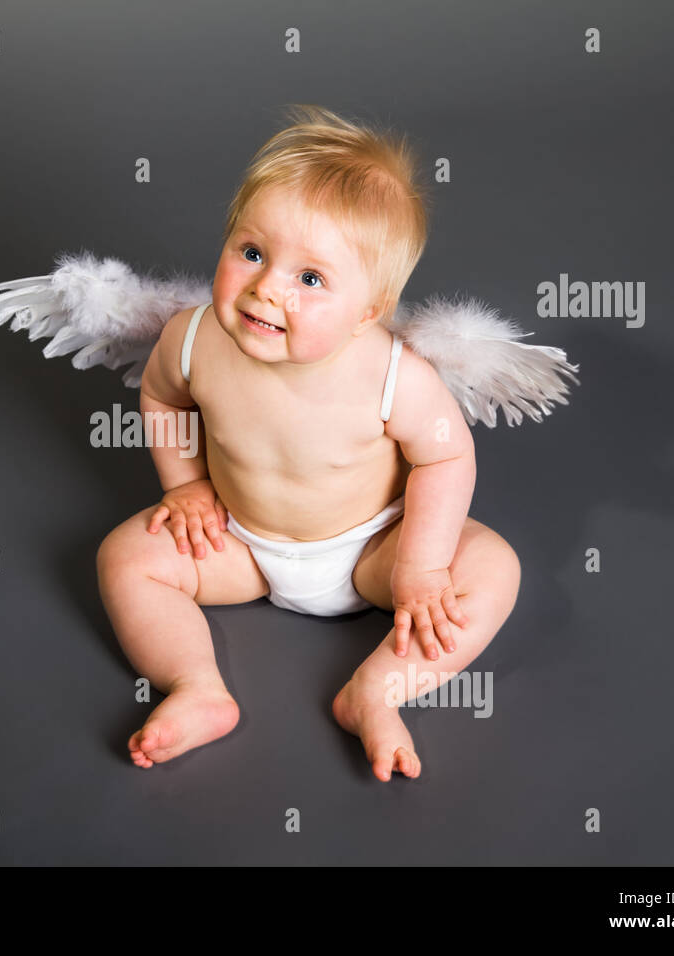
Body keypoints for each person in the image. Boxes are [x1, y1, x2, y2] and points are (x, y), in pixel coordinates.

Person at [96, 105, 521, 781]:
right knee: (125, 559)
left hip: (374, 548)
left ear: (368, 310)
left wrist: (423, 564)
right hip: (240, 542)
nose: (267, 288)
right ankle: (195, 684)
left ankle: (377, 691)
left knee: (492, 569)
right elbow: (162, 398)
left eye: (311, 279)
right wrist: (186, 486)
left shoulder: (392, 376)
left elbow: (445, 455)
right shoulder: (194, 338)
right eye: (252, 252)